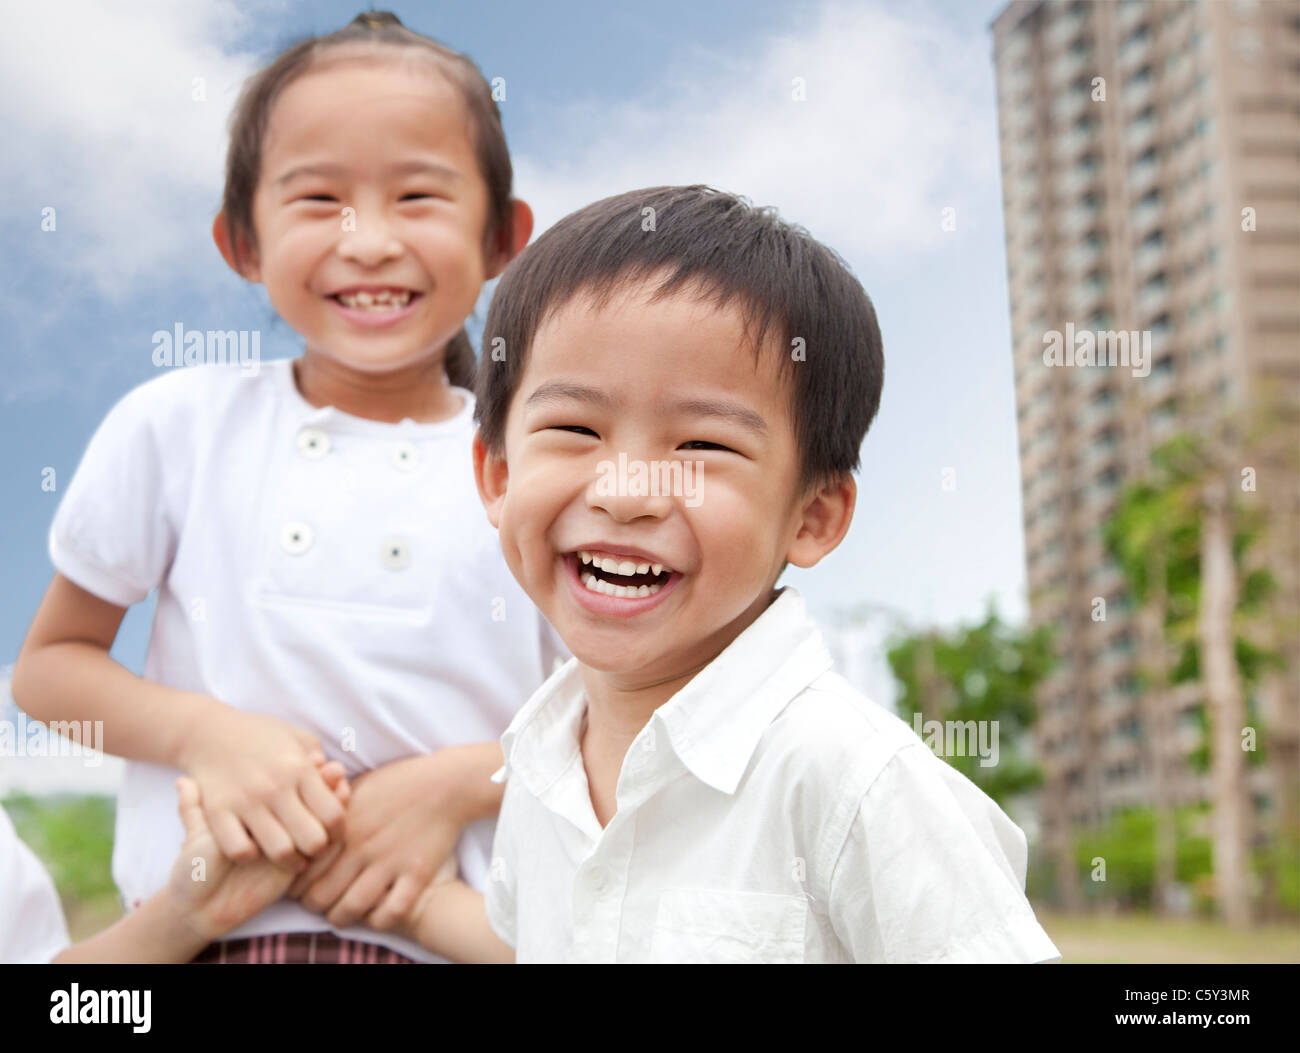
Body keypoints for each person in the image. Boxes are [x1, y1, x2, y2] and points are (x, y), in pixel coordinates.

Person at [12, 11, 562, 964]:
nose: (371, 240)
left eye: (420, 196)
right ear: (243, 244)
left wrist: (464, 782)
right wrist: (205, 735)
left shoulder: (540, 471)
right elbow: (50, 669)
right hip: (197, 936)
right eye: (317, 200)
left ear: (501, 237)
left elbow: (622, 723)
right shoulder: (178, 425)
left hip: (466, 939)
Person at [393, 184, 1063, 963]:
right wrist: (417, 902)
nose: (627, 493)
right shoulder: (540, 767)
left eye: (701, 447)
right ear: (498, 476)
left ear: (814, 514)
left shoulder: (849, 779)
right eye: (575, 428)